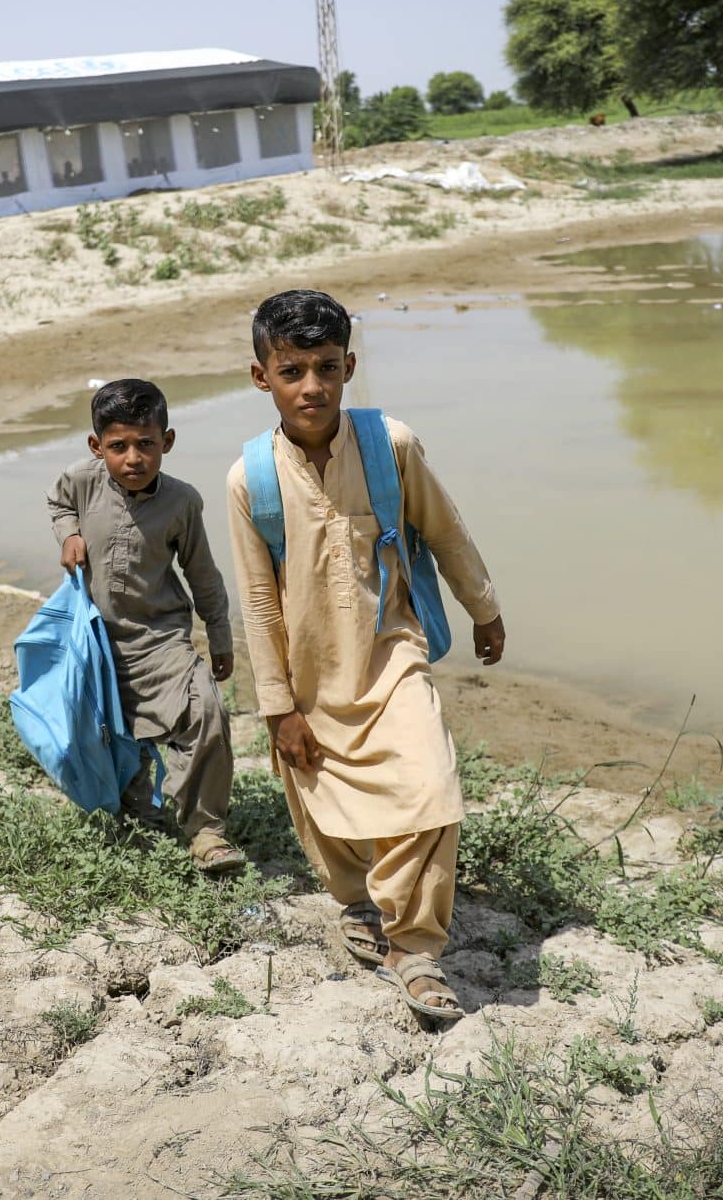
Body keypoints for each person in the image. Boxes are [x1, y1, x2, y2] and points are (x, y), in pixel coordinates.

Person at [225, 290, 506, 1022]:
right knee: (324, 801)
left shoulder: (392, 446)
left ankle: (414, 948)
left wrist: (484, 606)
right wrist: (278, 705)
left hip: (393, 653)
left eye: (326, 367)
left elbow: (445, 530)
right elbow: (258, 601)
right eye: (292, 371)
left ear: (349, 367)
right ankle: (358, 902)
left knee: (433, 786)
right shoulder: (250, 480)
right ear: (261, 377)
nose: (311, 387)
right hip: (310, 675)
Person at [47, 379, 246, 875]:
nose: (133, 458)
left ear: (167, 441)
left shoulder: (182, 502)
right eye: (118, 446)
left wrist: (219, 635)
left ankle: (206, 831)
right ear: (97, 447)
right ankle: (138, 817)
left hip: (161, 638)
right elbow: (59, 503)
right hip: (97, 641)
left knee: (205, 711)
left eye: (146, 444)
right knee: (113, 737)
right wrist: (69, 534)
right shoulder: (81, 479)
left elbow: (203, 574)